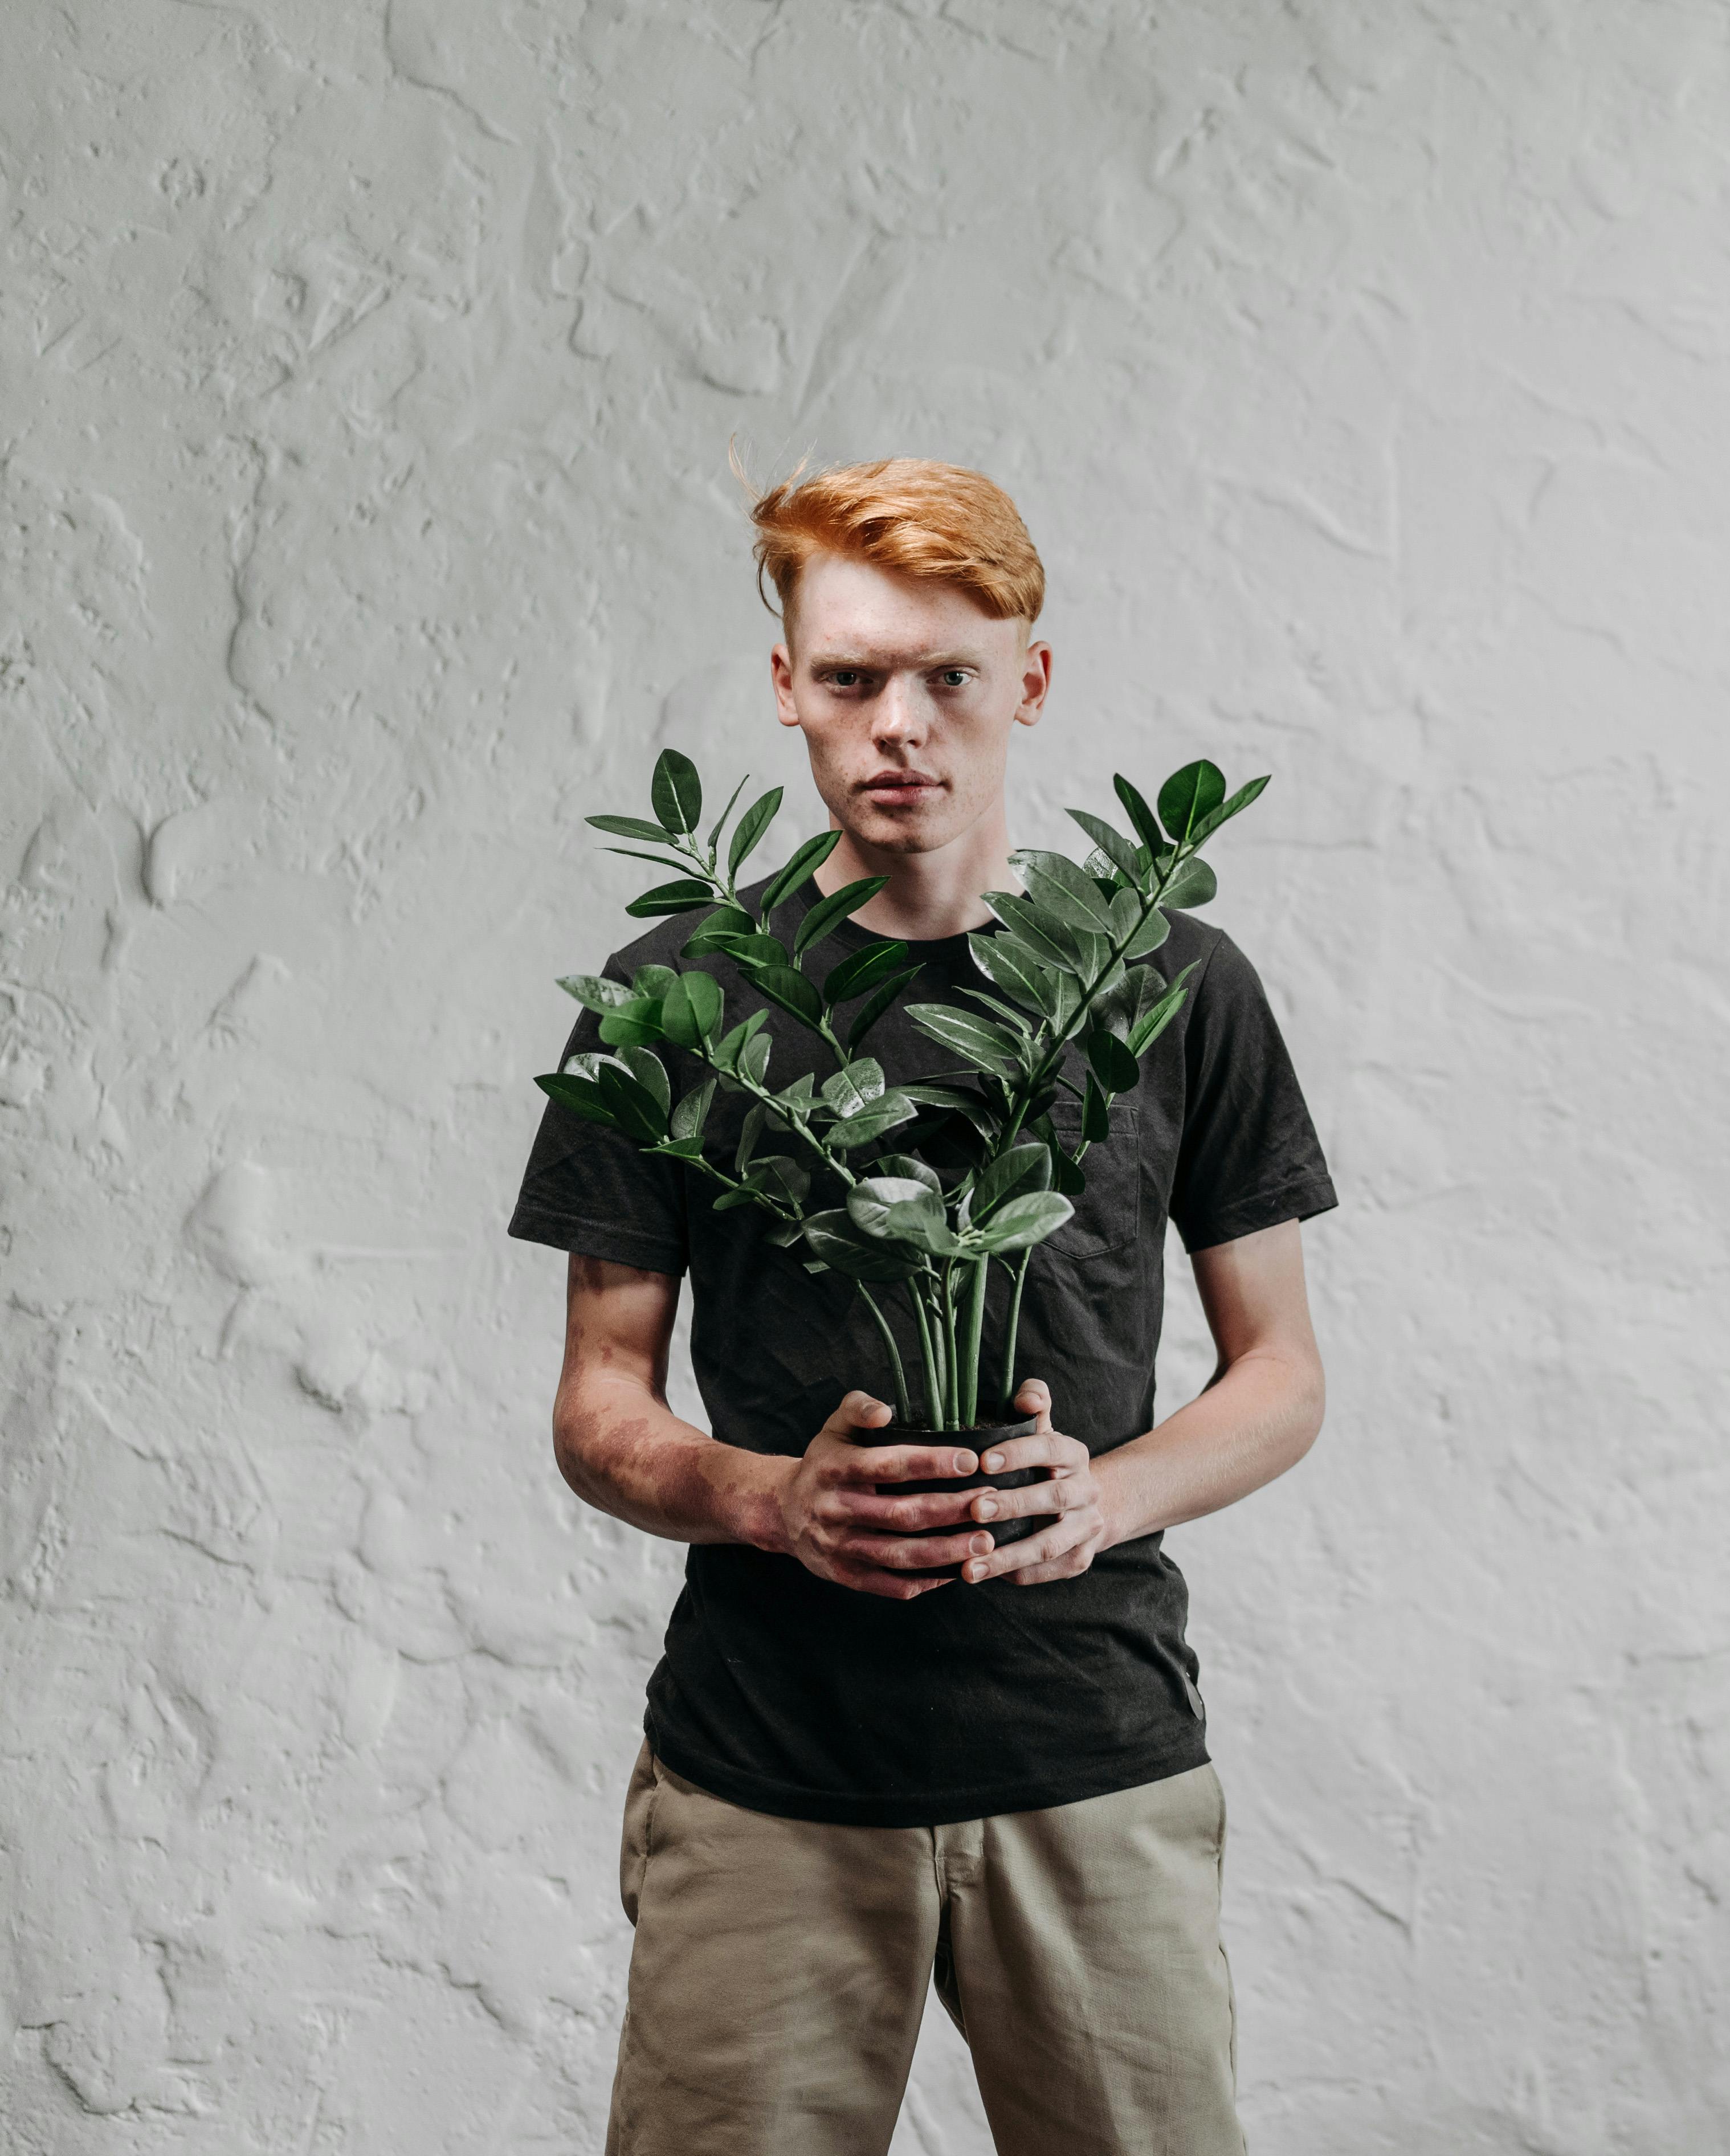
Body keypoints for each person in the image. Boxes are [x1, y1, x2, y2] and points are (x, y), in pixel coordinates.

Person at [509, 458, 1334, 2155]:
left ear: (1026, 680)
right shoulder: (681, 1004)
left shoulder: (1163, 980)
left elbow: (1285, 1375)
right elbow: (599, 1401)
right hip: (763, 1774)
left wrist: (1107, 1497)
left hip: (1093, 1749)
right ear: (785, 689)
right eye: (853, 676)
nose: (901, 723)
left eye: (949, 675)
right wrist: (770, 1500)